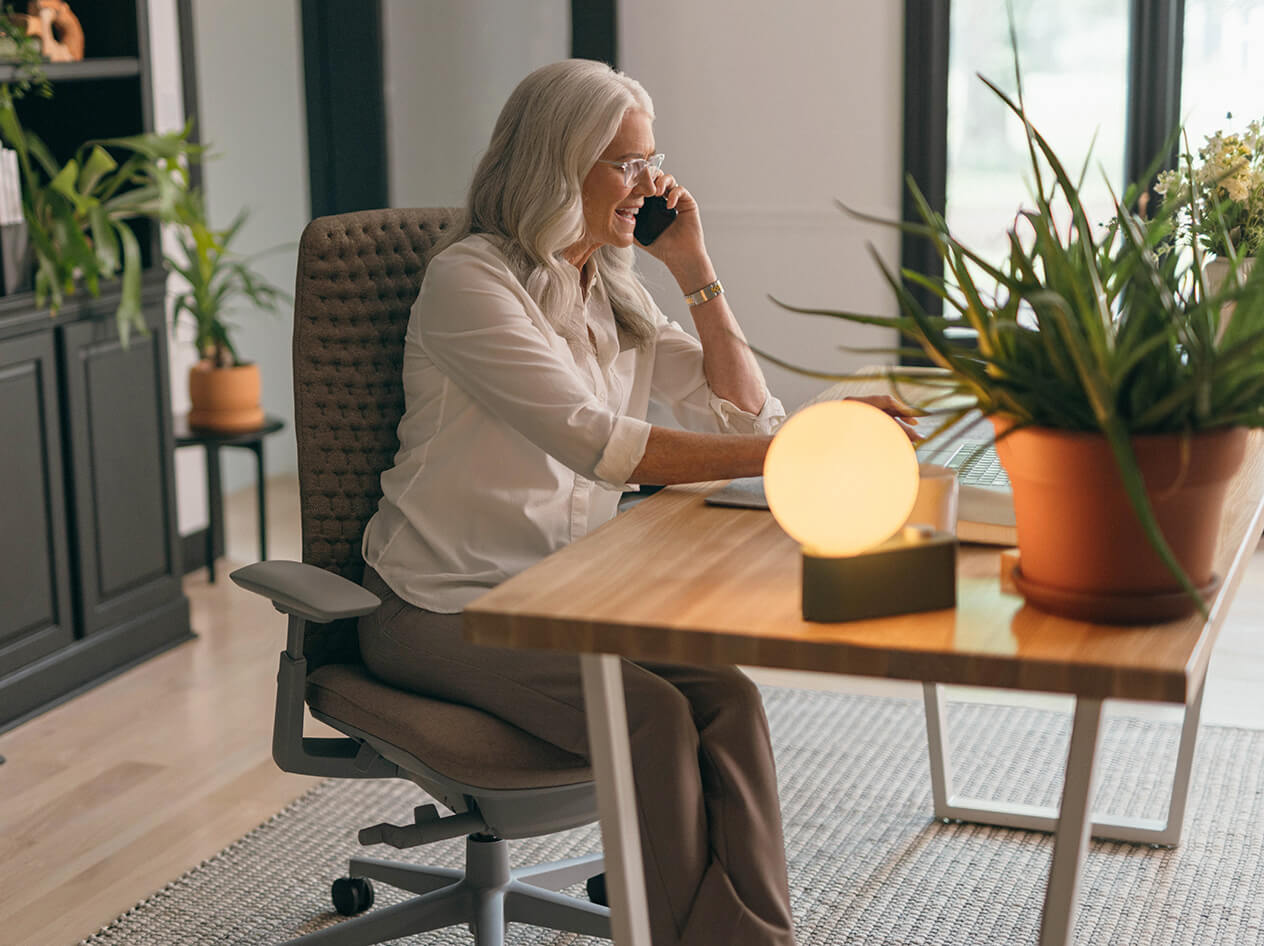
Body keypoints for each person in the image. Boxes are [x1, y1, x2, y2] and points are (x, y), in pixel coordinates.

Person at [358, 59, 914, 945]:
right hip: (441, 607)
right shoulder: (473, 284)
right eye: (626, 162)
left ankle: (755, 940)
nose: (650, 183)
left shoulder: (605, 288)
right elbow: (600, 442)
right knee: (650, 713)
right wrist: (801, 453)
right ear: (555, 164)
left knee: (727, 697)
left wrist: (694, 267)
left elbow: (740, 411)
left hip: (561, 602)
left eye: (652, 161)